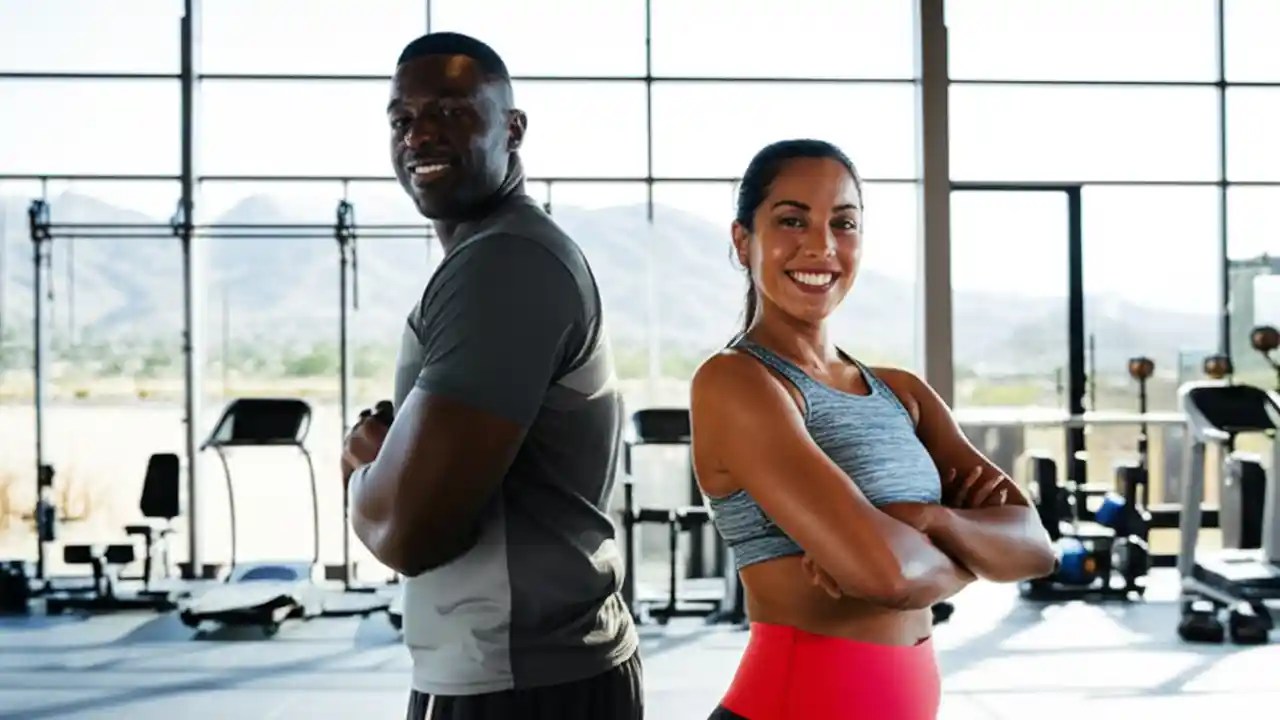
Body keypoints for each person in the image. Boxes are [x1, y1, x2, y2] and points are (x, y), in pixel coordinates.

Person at [690, 139, 1057, 720]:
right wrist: (975, 554)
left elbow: (1036, 550)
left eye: (844, 222)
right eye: (791, 220)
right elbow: (887, 577)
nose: (821, 246)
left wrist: (926, 522)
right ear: (743, 241)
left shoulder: (902, 392)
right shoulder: (738, 383)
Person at [339, 32, 642, 720]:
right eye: (402, 119)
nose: (419, 136)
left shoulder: (504, 264)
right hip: (504, 668)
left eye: (448, 111)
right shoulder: (488, 257)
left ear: (513, 129)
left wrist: (360, 467)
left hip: (521, 680)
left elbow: (409, 534)